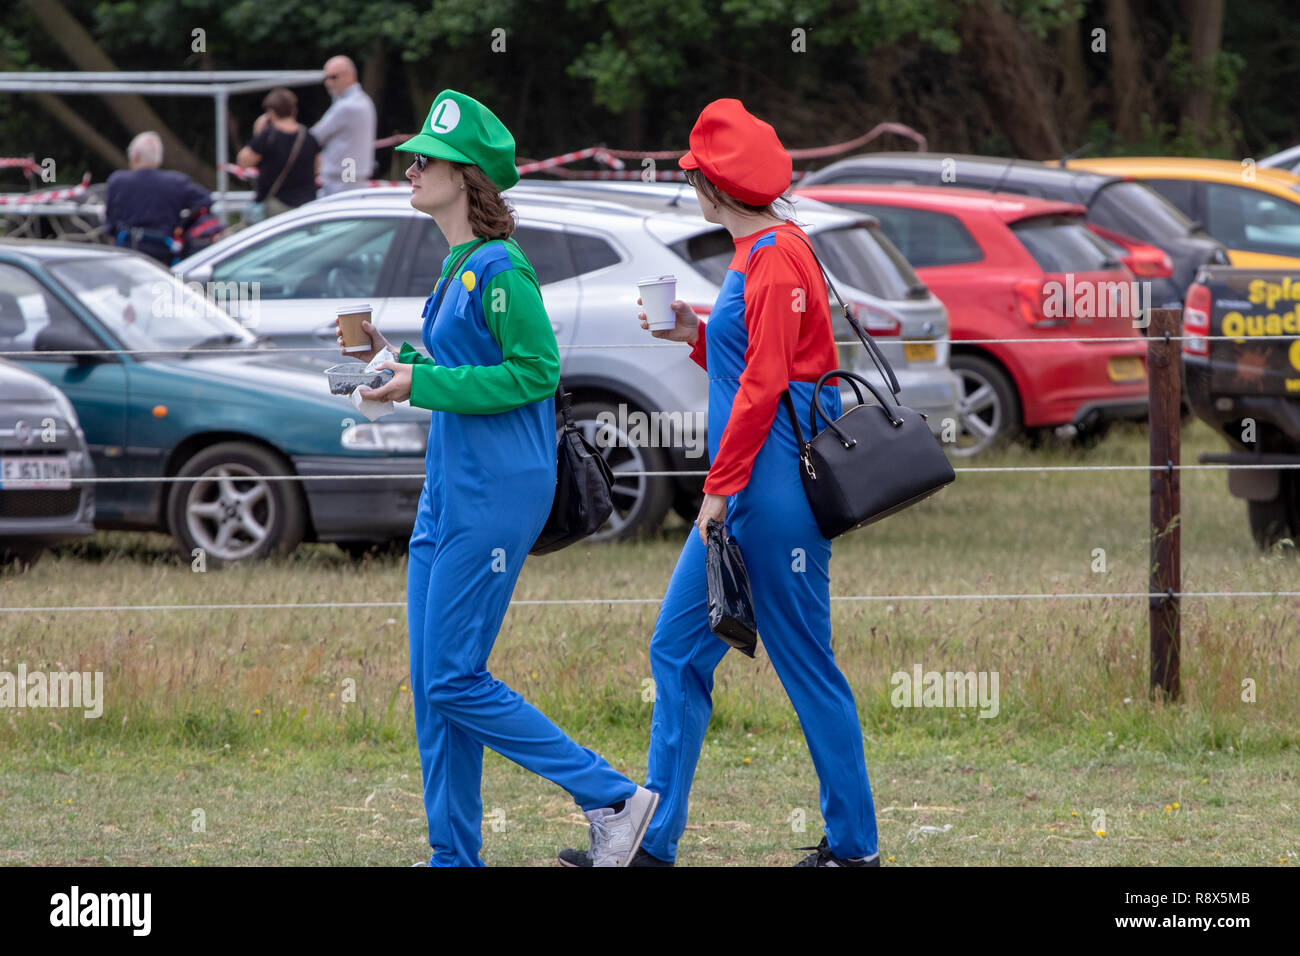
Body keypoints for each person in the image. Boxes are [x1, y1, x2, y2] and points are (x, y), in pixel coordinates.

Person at [336, 89, 657, 867]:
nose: (411, 167)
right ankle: (454, 858)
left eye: (428, 159)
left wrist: (420, 384)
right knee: (433, 683)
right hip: (450, 491)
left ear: (467, 175)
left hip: (497, 493)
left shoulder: (501, 270)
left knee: (453, 678)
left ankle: (612, 797)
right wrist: (397, 362)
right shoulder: (458, 267)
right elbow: (462, 372)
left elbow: (536, 373)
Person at [561, 99, 882, 867]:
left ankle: (854, 848)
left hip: (766, 492)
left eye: (694, 177)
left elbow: (765, 385)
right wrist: (696, 333)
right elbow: (761, 361)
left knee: (807, 666)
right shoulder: (770, 246)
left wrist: (716, 491)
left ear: (711, 187)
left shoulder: (771, 257)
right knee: (676, 653)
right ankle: (652, 844)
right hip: (754, 486)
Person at [105, 132, 211, 265]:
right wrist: (182, 225)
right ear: (158, 158)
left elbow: (110, 222)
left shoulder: (117, 181)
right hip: (164, 252)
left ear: (135, 157)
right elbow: (205, 201)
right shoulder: (176, 182)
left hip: (128, 250)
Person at [236, 87, 322, 216]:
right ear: (294, 109)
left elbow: (243, 161)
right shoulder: (308, 137)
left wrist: (258, 133)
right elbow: (317, 168)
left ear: (270, 112)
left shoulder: (268, 137)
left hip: (276, 206)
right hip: (306, 206)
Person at [311, 55, 376, 197]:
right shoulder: (363, 100)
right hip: (350, 175)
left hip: (342, 178)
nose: (328, 83)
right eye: (326, 78)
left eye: (333, 77)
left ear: (350, 76)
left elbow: (316, 136)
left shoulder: (347, 105)